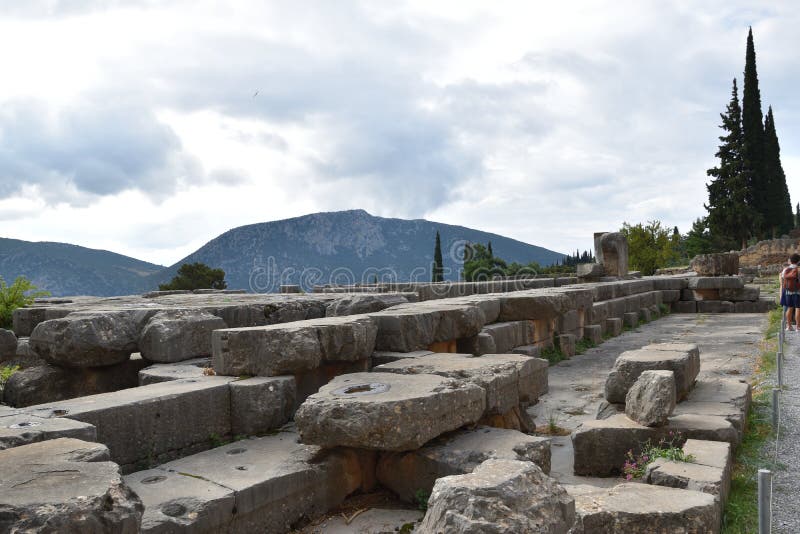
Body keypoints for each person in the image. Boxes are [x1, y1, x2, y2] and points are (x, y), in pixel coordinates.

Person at [779, 253, 800, 331]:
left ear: (790, 261)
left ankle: (789, 326)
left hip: (788, 291)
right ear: (798, 261)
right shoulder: (798, 269)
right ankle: (798, 327)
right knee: (798, 308)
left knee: (789, 308)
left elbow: (782, 279)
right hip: (798, 292)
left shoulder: (786, 270)